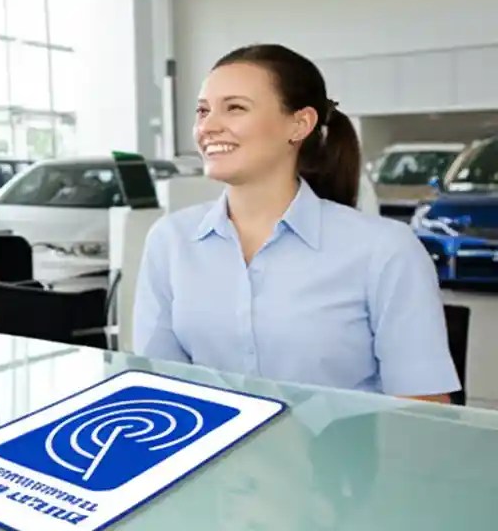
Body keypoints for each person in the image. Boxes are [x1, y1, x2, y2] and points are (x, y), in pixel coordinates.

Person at [132, 44, 459, 402]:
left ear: (300, 124)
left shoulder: (385, 249)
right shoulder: (170, 240)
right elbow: (158, 388)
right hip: (211, 454)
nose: (208, 127)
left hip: (345, 457)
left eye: (235, 108)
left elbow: (423, 410)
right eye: (202, 111)